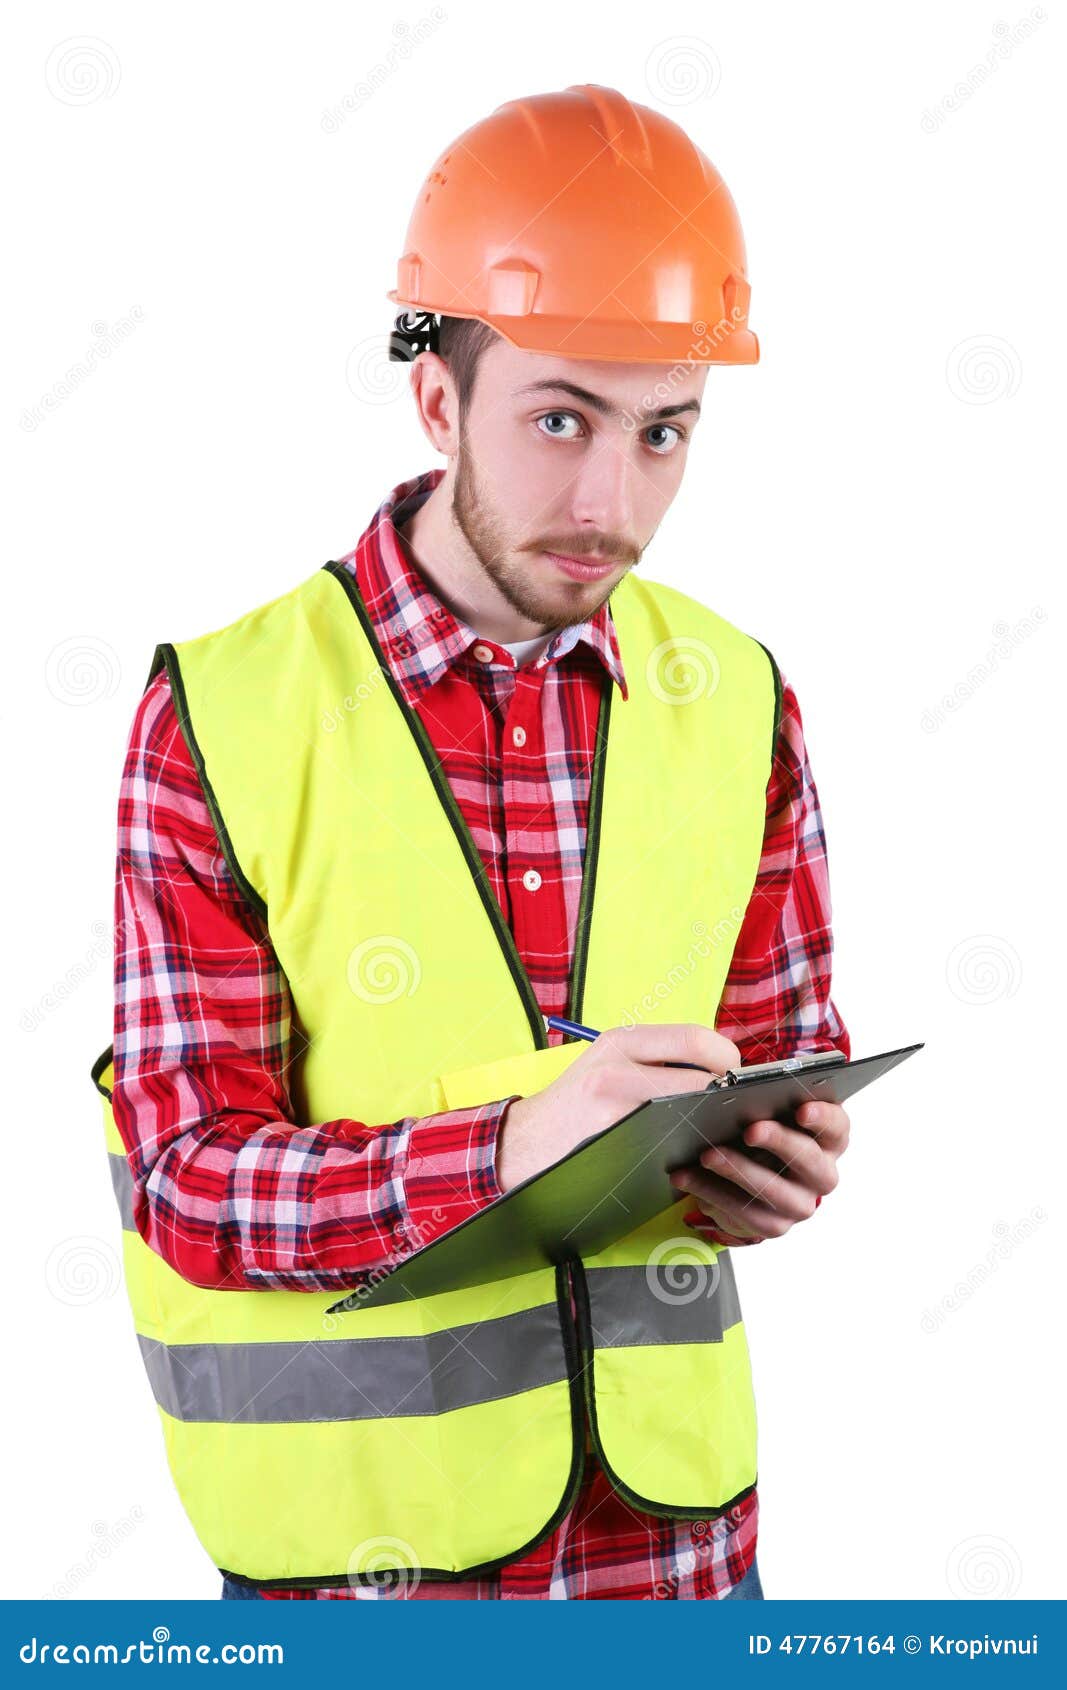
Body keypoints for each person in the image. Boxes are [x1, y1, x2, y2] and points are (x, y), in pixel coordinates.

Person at [92, 83, 850, 1602]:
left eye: (663, 433)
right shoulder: (225, 715)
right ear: (438, 401)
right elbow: (183, 1177)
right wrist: (508, 1150)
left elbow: (782, 1057)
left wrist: (779, 1163)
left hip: (682, 1561)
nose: (609, 501)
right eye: (560, 419)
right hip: (370, 1588)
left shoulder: (738, 698)